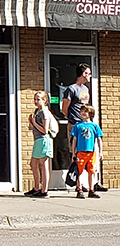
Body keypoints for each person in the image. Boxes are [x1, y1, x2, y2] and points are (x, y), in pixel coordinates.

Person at [61, 63, 106, 191]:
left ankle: (93, 183)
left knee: (90, 152)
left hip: (87, 126)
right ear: (83, 74)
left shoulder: (85, 89)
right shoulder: (71, 89)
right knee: (76, 153)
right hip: (76, 125)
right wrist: (73, 120)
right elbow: (64, 109)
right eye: (88, 73)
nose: (90, 75)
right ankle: (78, 185)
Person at [70, 104, 103, 200]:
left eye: (85, 111)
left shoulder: (94, 126)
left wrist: (100, 152)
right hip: (80, 152)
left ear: (90, 113)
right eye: (82, 111)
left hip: (91, 152)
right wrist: (73, 152)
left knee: (91, 171)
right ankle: (79, 189)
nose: (83, 113)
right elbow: (74, 140)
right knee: (79, 171)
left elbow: (99, 139)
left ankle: (91, 190)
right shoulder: (77, 126)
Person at [25, 91, 54, 198]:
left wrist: (34, 122)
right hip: (38, 140)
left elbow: (45, 130)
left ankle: (44, 190)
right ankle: (37, 187)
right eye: (35, 99)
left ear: (44, 100)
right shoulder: (38, 111)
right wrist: (31, 122)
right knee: (33, 164)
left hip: (44, 140)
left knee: (43, 164)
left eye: (38, 99)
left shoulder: (45, 112)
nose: (36, 101)